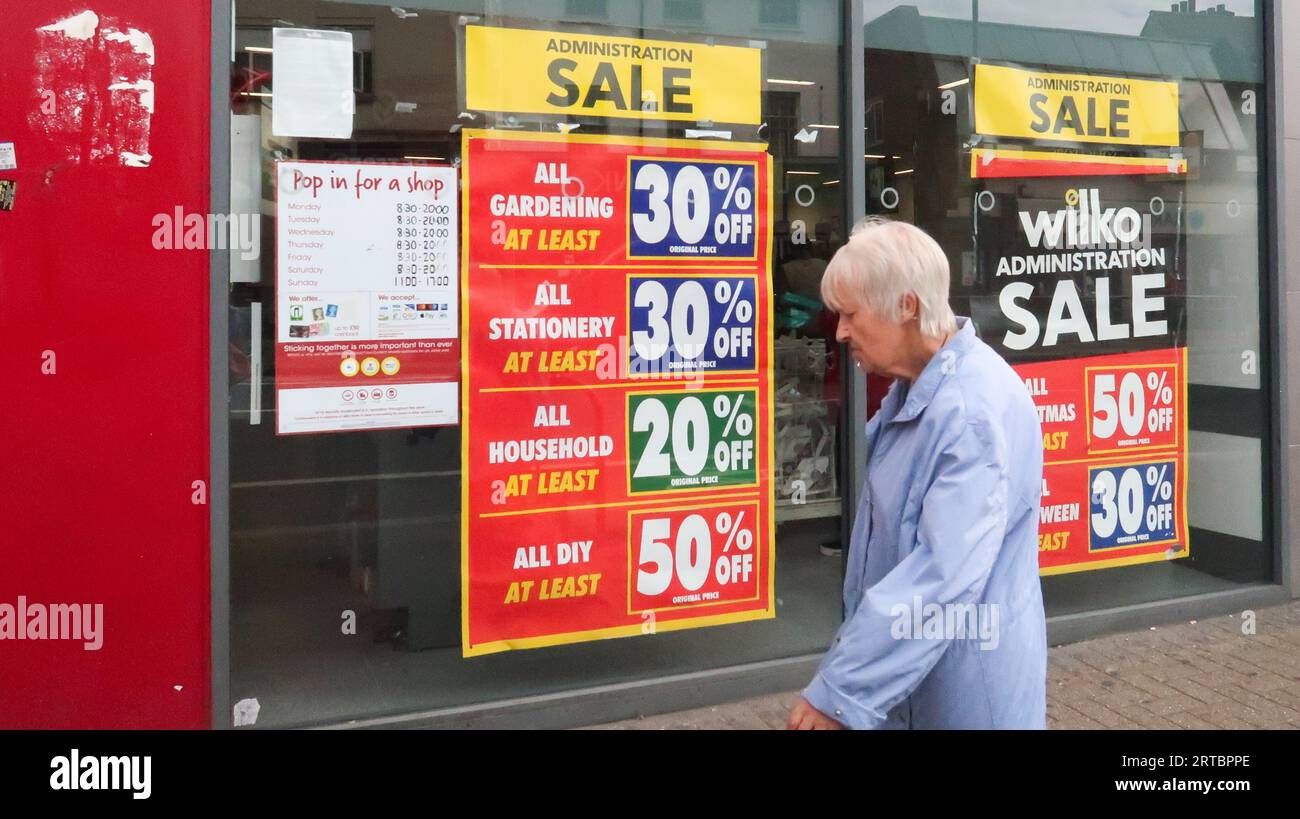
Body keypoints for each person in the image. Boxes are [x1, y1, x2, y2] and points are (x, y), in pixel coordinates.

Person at [787, 218, 1047, 730]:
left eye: (850, 314)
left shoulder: (969, 413)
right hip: (926, 685)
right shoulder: (921, 390)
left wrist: (843, 692)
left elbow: (939, 576)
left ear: (906, 306)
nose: (839, 332)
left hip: (963, 696)